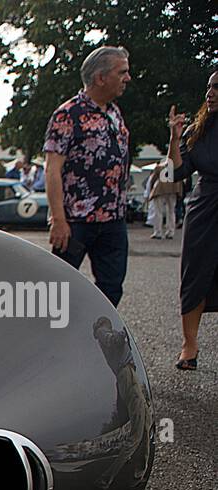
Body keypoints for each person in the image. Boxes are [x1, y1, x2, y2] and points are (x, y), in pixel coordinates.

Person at [44, 46, 133, 307]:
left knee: (111, 288)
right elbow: (52, 169)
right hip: (75, 222)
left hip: (113, 220)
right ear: (101, 78)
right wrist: (58, 219)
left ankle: (92, 339)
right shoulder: (67, 114)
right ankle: (52, 340)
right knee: (56, 289)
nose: (128, 78)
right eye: (122, 72)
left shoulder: (115, 113)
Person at [168, 71, 218, 370]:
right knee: (194, 275)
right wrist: (174, 140)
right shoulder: (197, 131)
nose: (210, 93)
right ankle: (190, 346)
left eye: (217, 88)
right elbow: (174, 174)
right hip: (204, 207)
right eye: (209, 86)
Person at [146, 158, 181, 240]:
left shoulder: (158, 167)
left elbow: (153, 179)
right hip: (173, 189)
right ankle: (170, 232)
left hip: (160, 189)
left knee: (158, 211)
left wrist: (151, 191)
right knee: (171, 211)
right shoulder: (175, 167)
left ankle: (158, 232)